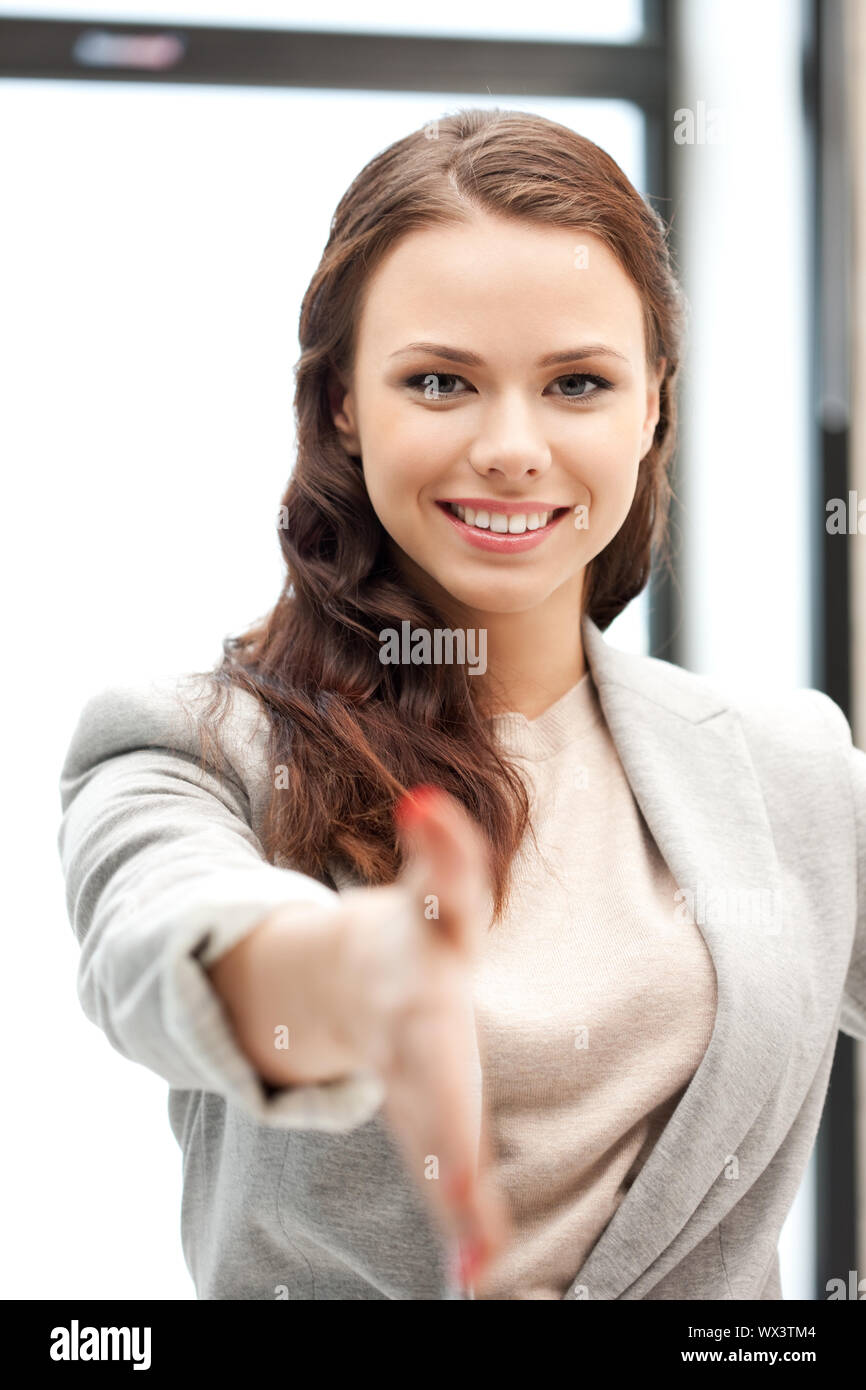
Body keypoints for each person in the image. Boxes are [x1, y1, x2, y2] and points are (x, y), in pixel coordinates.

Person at [58, 107, 866, 1301]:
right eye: (439, 381)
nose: (510, 446)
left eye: (576, 383)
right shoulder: (191, 744)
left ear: (650, 406)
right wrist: (338, 976)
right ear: (340, 402)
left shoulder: (786, 764)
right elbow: (155, 944)